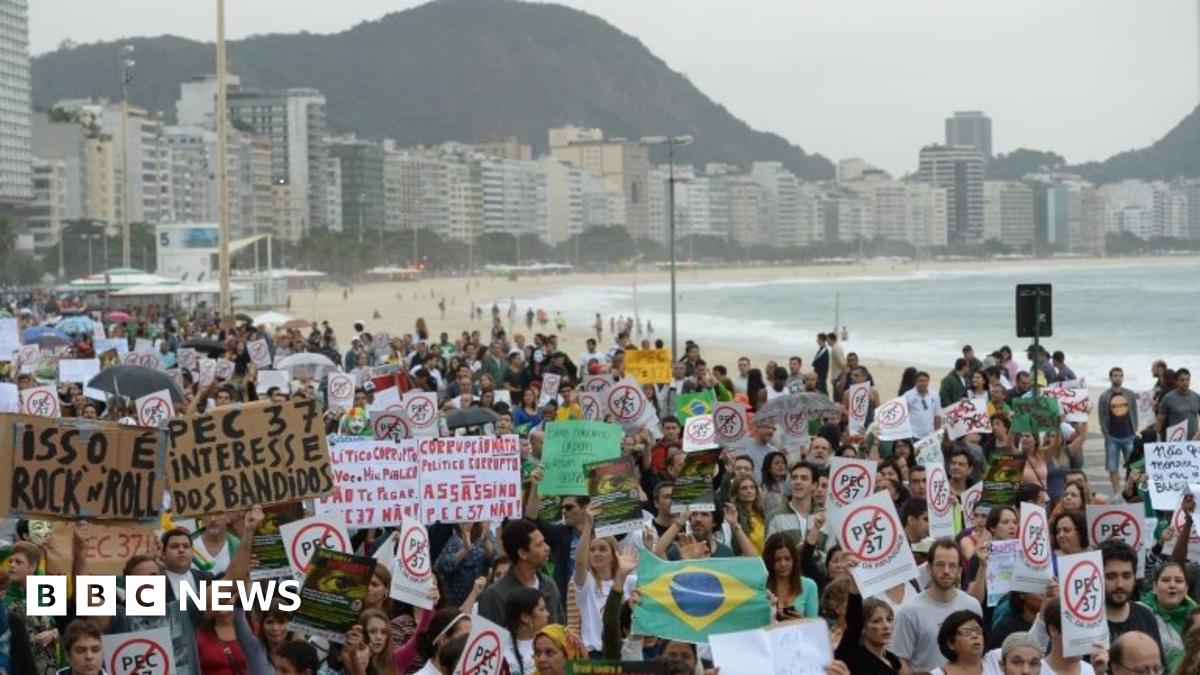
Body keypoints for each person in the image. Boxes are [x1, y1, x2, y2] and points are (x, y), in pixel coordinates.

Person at [891, 538, 984, 673]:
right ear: (929, 569)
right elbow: (900, 661)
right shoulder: (909, 611)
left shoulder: (972, 606)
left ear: (959, 571)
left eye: (952, 565)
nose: (946, 571)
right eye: (940, 564)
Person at [476, 519, 565, 626]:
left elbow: (560, 629)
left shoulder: (549, 586)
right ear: (522, 553)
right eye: (539, 544)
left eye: (544, 542)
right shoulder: (493, 597)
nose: (547, 548)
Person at [1100, 540, 1165, 665]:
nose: (1120, 584)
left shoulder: (1146, 617)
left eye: (1126, 576)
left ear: (1134, 577)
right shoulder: (1083, 625)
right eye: (1111, 576)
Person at [572, 503, 617, 657]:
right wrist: (588, 525)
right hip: (594, 655)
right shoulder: (587, 583)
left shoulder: (625, 582)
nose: (596, 553)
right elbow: (579, 563)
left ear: (614, 556)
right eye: (592, 549)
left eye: (603, 549)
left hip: (622, 655)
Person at [834, 582, 902, 675]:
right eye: (877, 621)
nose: (886, 626)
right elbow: (854, 625)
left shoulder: (892, 659)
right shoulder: (852, 655)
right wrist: (854, 587)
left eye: (889, 619)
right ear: (863, 628)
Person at [1141, 562, 1196, 673]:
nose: (1172, 585)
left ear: (1186, 589)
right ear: (1155, 587)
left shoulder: (1196, 618)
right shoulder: (1140, 612)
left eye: (1178, 581)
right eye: (1166, 580)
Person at [1040, 597, 1104, 675]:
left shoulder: (1095, 671)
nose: (1082, 637)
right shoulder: (1035, 672)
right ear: (1053, 630)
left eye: (1085, 630)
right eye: (1075, 631)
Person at [763, 533, 820, 620]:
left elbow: (814, 627)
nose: (783, 564)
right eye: (777, 560)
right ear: (769, 561)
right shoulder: (762, 586)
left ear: (794, 559)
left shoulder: (810, 586)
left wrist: (801, 621)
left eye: (787, 558)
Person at [766, 461, 819, 541]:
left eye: (804, 478)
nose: (798, 482)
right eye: (794, 478)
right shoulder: (774, 517)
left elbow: (833, 552)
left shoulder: (824, 518)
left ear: (814, 485)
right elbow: (769, 552)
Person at [929, 610, 986, 675]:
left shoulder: (994, 659)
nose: (975, 635)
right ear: (950, 644)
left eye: (978, 630)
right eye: (966, 632)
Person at [1158, 368, 1200, 440]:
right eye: (1182, 380)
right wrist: (1158, 438)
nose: (1185, 382)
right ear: (1176, 381)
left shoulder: (1196, 397)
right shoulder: (1168, 398)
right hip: (1175, 440)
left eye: (1187, 379)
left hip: (1194, 440)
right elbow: (1160, 421)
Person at [904, 371, 942, 438]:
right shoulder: (908, 395)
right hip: (914, 434)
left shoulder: (935, 395)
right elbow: (904, 416)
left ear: (928, 382)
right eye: (920, 381)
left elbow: (937, 416)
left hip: (930, 435)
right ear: (916, 382)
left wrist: (937, 433)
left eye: (925, 381)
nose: (923, 383)